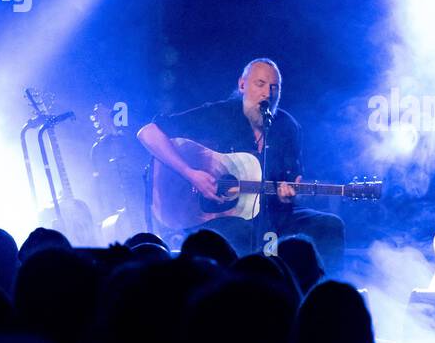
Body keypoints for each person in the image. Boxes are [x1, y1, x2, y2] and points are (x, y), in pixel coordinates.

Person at [137, 58, 345, 271]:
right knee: (242, 233)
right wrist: (192, 174)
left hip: (273, 214)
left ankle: (315, 297)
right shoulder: (218, 114)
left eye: (275, 87)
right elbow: (148, 133)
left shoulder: (287, 127)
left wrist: (290, 192)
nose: (268, 93)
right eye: (260, 84)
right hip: (216, 216)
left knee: (329, 225)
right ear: (242, 85)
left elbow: (292, 183)